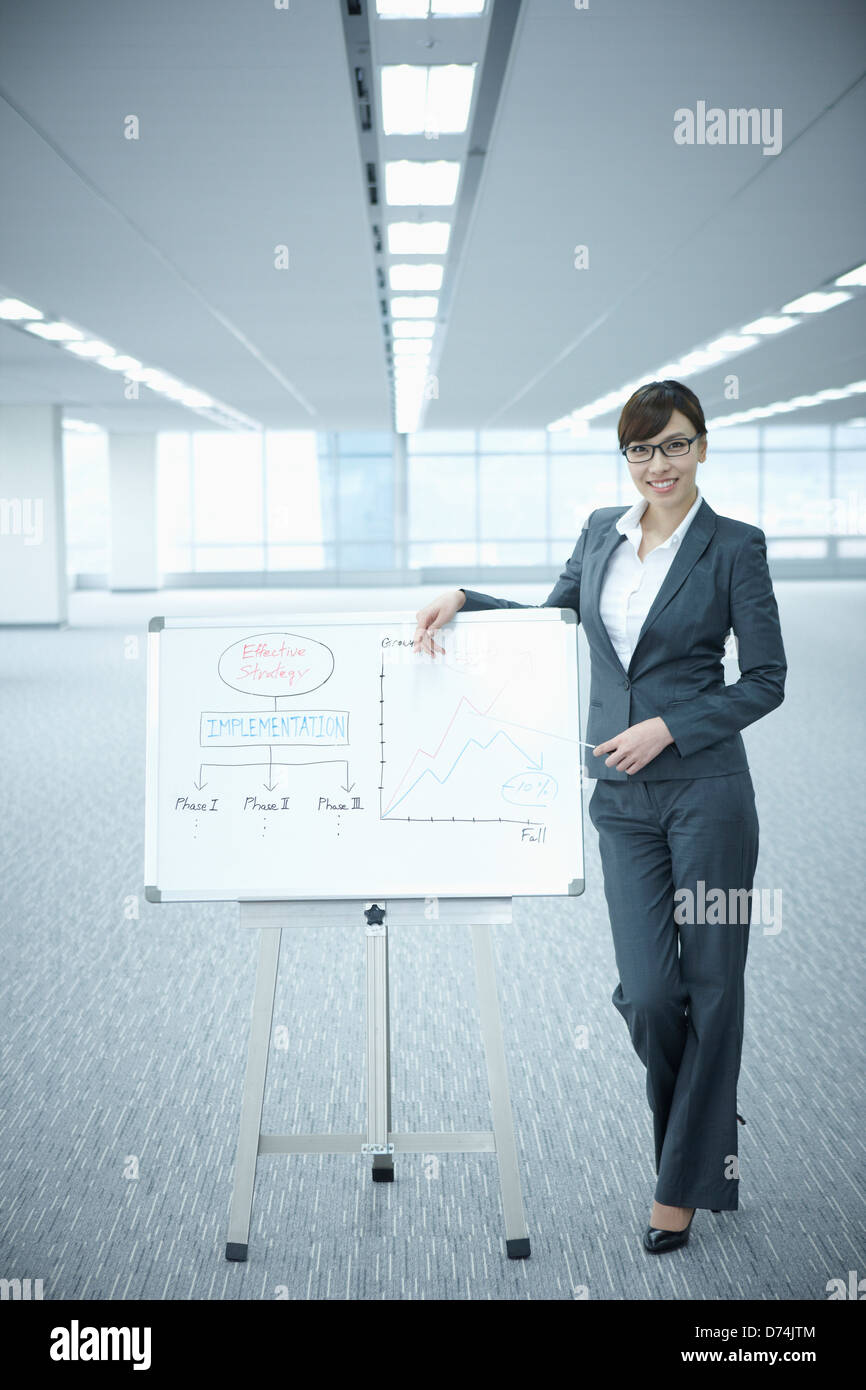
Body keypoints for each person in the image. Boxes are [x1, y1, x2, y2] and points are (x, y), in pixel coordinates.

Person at [412, 379, 786, 1254]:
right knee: (653, 996)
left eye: (675, 444)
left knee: (714, 985)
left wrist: (669, 726)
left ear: (702, 446)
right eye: (641, 449)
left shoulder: (736, 548)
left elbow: (766, 680)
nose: (658, 464)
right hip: (620, 802)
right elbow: (551, 624)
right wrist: (466, 599)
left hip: (709, 797)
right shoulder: (599, 534)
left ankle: (682, 1183)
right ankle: (706, 1107)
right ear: (627, 457)